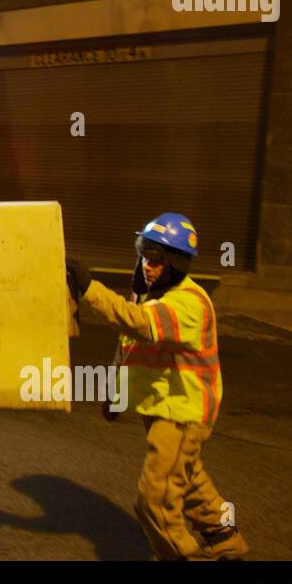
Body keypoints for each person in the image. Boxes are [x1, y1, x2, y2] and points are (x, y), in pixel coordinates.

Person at [66, 213, 249, 561]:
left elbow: (138, 325)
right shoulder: (151, 294)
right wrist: (114, 396)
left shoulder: (189, 303)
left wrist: (88, 289)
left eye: (155, 260)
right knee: (189, 478)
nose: (146, 266)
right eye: (144, 257)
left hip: (184, 411)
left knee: (155, 499)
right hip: (162, 407)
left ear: (176, 263)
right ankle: (224, 536)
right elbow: (128, 346)